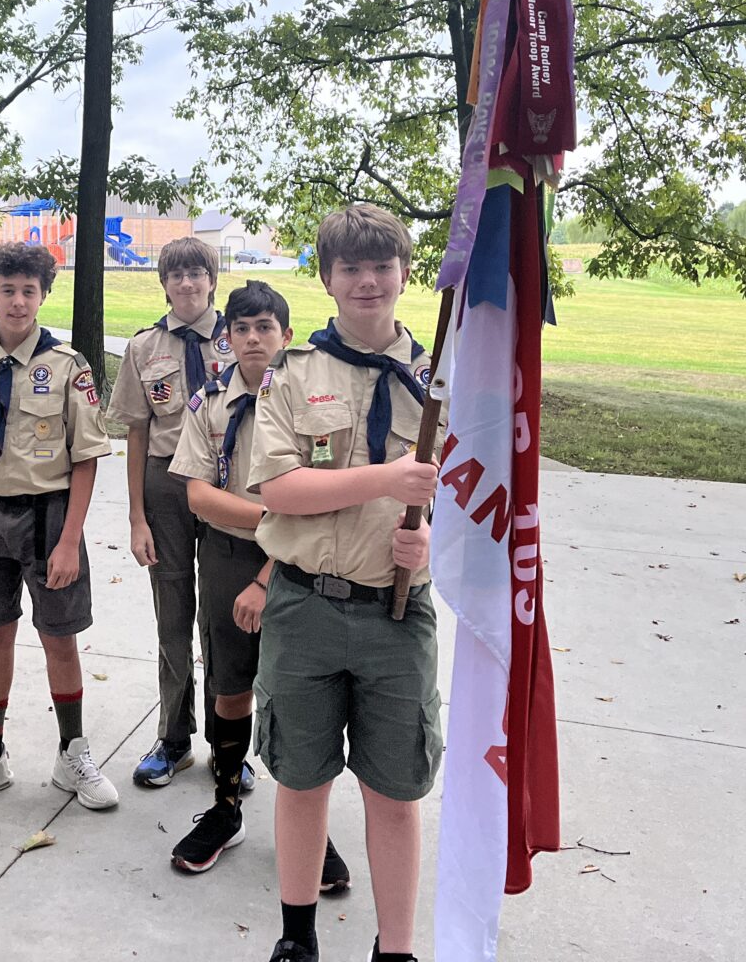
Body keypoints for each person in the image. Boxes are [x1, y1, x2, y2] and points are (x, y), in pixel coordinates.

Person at [248, 204, 443, 962]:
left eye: (381, 265)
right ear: (327, 278)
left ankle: (394, 949)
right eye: (351, 268)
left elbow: (471, 496)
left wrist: (433, 542)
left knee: (396, 792)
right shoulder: (294, 376)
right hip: (305, 606)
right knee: (301, 779)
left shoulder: (439, 380)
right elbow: (279, 490)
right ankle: (297, 936)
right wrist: (387, 478)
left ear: (403, 272)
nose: (368, 281)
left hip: (398, 617)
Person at [165, 280, 354, 889]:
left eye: (265, 327)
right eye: (241, 328)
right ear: (227, 337)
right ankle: (226, 806)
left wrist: (270, 568)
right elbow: (197, 494)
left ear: (287, 336)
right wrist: (276, 520)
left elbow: (324, 499)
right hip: (227, 557)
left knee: (298, 693)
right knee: (229, 682)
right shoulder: (208, 403)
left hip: (298, 565)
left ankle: (308, 826)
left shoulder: (312, 404)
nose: (252, 338)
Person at [0, 243, 119, 812]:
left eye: (28, 291)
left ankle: (72, 751)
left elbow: (86, 456)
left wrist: (69, 541)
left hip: (48, 517)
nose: (17, 301)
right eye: (6, 290)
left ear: (43, 296)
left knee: (59, 635)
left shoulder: (68, 366)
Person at [107, 236, 238, 788]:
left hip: (226, 478)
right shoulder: (144, 349)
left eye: (196, 274)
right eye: (176, 275)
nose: (187, 284)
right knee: (172, 613)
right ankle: (174, 736)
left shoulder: (242, 337)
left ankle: (227, 743)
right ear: (163, 283)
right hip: (165, 485)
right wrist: (137, 517)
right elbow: (136, 433)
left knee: (223, 616)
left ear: (212, 280)